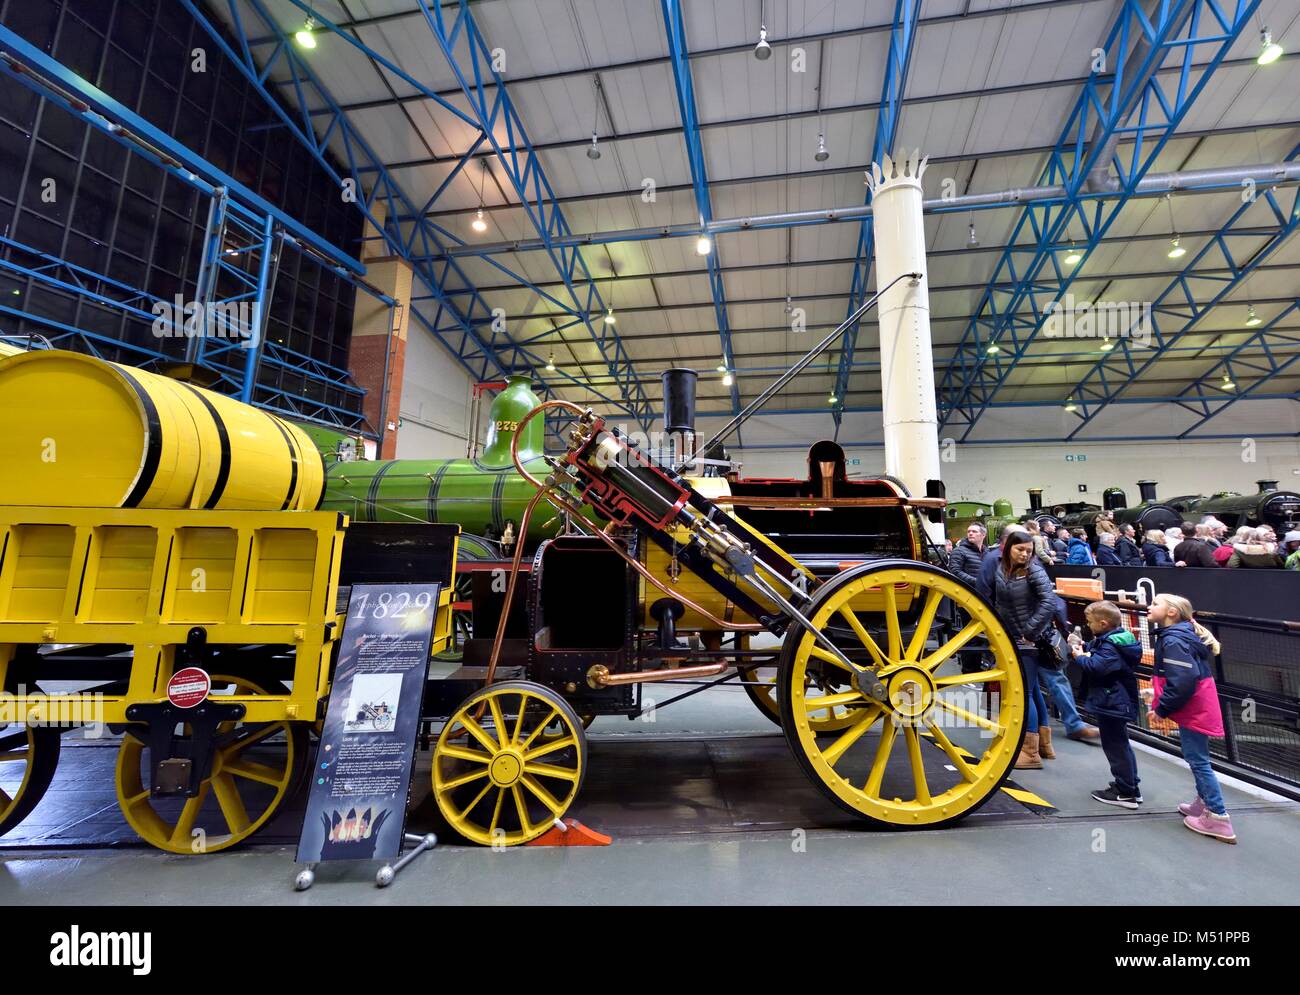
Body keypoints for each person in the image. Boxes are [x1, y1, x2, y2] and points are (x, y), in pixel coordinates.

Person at [1143, 593, 1235, 843]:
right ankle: (1203, 803)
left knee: (1198, 760)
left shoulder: (1173, 640)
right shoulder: (1183, 635)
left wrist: (1161, 708)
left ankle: (1218, 817)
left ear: (1172, 612)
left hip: (1194, 708)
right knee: (1197, 758)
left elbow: (1182, 680)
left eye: (1155, 604)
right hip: (1198, 705)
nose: (1149, 607)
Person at [992, 530, 1056, 769]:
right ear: (1009, 547)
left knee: (1025, 693)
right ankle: (1044, 745)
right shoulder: (1003, 569)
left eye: (1029, 550)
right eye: (1021, 549)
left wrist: (1029, 632)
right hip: (1015, 637)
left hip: (1027, 641)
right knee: (1033, 690)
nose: (1025, 554)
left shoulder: (1034, 570)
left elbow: (1048, 602)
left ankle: (1029, 754)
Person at [1070, 600, 1143, 807]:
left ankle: (1125, 792)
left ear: (1103, 624)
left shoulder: (1110, 646)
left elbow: (1096, 666)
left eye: (1090, 622)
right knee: (1121, 745)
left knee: (1115, 746)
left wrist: (1079, 657)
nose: (1088, 625)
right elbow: (1098, 651)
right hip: (1115, 701)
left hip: (1112, 702)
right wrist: (1083, 647)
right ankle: (1130, 786)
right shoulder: (1116, 640)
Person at [948, 523, 985, 589]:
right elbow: (955, 571)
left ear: (983, 535)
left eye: (974, 531)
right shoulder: (958, 551)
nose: (970, 533)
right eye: (968, 531)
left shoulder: (987, 552)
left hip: (985, 593)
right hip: (967, 594)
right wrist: (977, 582)